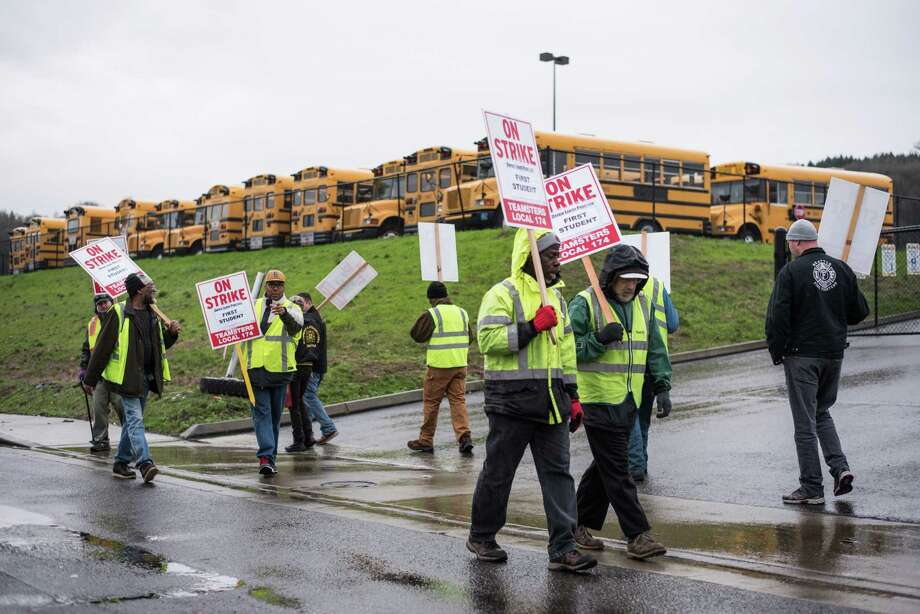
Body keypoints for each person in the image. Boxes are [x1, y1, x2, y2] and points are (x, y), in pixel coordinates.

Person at [467, 228, 596, 573]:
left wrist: (574, 396)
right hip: (510, 404)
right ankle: (482, 536)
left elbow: (566, 352)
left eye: (558, 253)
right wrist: (531, 327)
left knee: (559, 476)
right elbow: (488, 340)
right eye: (551, 254)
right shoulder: (501, 294)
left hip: (552, 402)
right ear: (531, 256)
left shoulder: (558, 299)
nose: (558, 260)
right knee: (499, 473)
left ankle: (564, 548)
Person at [568, 244, 669, 559]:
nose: (631, 285)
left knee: (605, 467)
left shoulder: (643, 304)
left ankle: (576, 526)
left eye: (637, 279)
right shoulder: (584, 304)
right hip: (596, 400)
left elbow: (654, 346)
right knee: (618, 469)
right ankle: (638, 535)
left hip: (628, 401)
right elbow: (565, 349)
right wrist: (598, 340)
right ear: (610, 277)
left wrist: (663, 384)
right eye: (625, 278)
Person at [766, 219, 869, 505]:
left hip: (802, 356)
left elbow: (778, 317)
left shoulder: (791, 272)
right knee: (821, 412)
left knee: (805, 423)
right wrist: (833, 317)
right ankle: (840, 469)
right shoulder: (841, 269)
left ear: (797, 242)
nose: (790, 247)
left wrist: (777, 351)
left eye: (790, 243)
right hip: (833, 354)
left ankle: (811, 487)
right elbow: (860, 311)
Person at [83, 273, 180, 483]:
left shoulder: (152, 313)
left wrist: (171, 334)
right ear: (138, 290)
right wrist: (90, 379)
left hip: (146, 378)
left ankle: (120, 463)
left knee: (130, 423)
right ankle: (145, 463)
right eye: (150, 286)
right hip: (126, 379)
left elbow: (158, 345)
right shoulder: (118, 312)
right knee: (135, 420)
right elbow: (101, 349)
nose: (154, 289)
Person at [244, 270, 303, 475]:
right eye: (271, 284)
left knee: (274, 417)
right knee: (262, 414)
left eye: (279, 284)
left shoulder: (293, 308)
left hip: (280, 371)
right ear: (266, 286)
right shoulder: (254, 305)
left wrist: (284, 314)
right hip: (255, 369)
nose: (275, 287)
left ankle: (270, 459)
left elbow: (296, 328)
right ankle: (266, 457)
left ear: (284, 286)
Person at [627, 256, 680, 481]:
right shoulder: (657, 285)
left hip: (633, 358)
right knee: (642, 419)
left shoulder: (615, 288)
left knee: (630, 418)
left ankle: (636, 467)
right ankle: (641, 463)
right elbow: (673, 323)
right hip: (654, 361)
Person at [407, 281, 474, 454]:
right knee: (458, 401)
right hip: (460, 365)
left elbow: (417, 335)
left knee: (431, 403)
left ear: (432, 299)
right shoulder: (462, 312)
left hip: (439, 367)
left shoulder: (433, 314)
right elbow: (470, 337)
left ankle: (426, 440)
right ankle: (464, 437)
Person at [80, 293, 124, 452]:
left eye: (105, 302)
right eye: (100, 304)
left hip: (117, 374)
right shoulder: (92, 324)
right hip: (98, 375)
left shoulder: (121, 319)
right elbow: (87, 348)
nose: (103, 306)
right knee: (99, 409)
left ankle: (131, 437)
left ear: (112, 302)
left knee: (122, 407)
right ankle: (100, 440)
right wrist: (84, 369)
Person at [298, 291, 337, 445]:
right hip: (317, 366)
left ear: (308, 302)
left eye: (301, 304)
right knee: (305, 399)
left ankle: (328, 428)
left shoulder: (310, 319)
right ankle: (306, 433)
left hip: (313, 366)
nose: (299, 306)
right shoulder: (315, 317)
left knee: (308, 395)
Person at [285, 294, 316, 452]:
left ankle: (299, 440)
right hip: (308, 365)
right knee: (300, 401)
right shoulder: (312, 322)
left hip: (295, 366)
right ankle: (309, 436)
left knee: (293, 405)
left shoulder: (293, 323)